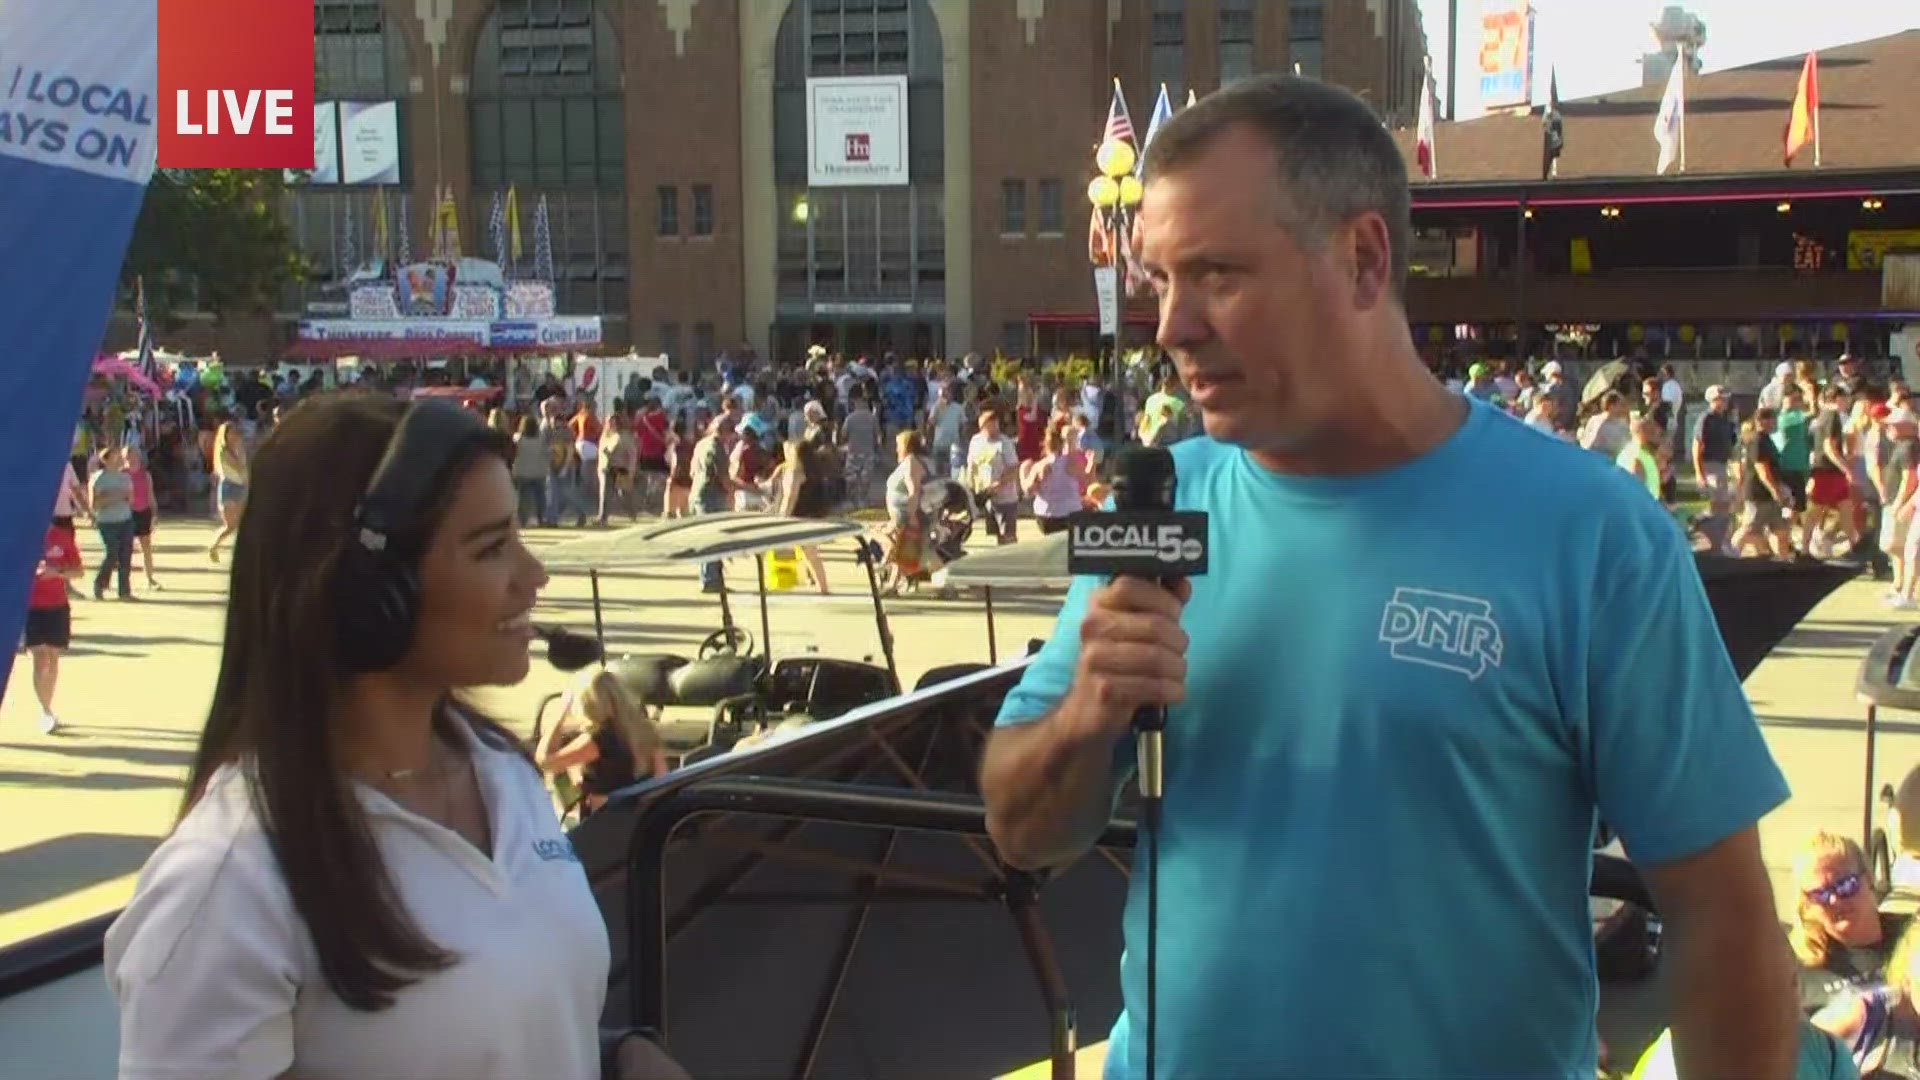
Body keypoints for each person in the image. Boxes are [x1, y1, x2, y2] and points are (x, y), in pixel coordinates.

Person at [980, 75, 1798, 1080]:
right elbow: (1021, 833)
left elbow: (1723, 924)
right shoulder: (1157, 508)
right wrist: (1085, 718)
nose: (1172, 327)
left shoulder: (1592, 535)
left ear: (1365, 259)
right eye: (1161, 281)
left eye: (1221, 275)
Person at [104, 393, 689, 1080]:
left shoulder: (505, 773)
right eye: (492, 547)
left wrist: (617, 1053)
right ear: (367, 594)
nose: (534, 578)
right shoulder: (229, 885)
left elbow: (490, 1028)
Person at [537, 668, 668, 821]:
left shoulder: (597, 739)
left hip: (603, 822)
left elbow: (545, 762)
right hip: (639, 817)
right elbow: (662, 777)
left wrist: (560, 714)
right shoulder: (645, 729)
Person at [23, 520, 84, 734]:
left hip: (57, 605)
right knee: (40, 659)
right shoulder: (21, 534)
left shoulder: (61, 535)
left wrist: (56, 572)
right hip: (31, 607)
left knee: (53, 658)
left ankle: (48, 706)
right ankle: (45, 710)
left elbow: (78, 571)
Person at [89, 445, 138, 602]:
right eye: (116, 456)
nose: (120, 460)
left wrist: (116, 495)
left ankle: (124, 591)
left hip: (125, 519)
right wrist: (113, 496)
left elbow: (131, 499)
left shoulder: (125, 477)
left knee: (126, 555)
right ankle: (100, 583)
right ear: (107, 459)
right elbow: (94, 504)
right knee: (112, 553)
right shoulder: (98, 478)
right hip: (107, 521)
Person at [208, 411, 248, 562]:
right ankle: (214, 546)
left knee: (241, 524)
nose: (234, 436)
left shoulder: (238, 449)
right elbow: (238, 466)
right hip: (229, 488)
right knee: (230, 525)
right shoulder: (223, 451)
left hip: (240, 486)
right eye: (231, 433)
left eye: (235, 433)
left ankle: (239, 553)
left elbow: (244, 468)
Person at [126, 445, 162, 591]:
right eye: (129, 455)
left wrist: (154, 513)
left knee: (146, 547)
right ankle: (124, 580)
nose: (133, 457)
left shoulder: (145, 475)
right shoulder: (122, 474)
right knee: (125, 549)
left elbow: (150, 495)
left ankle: (150, 578)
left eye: (135, 454)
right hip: (127, 513)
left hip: (144, 512)